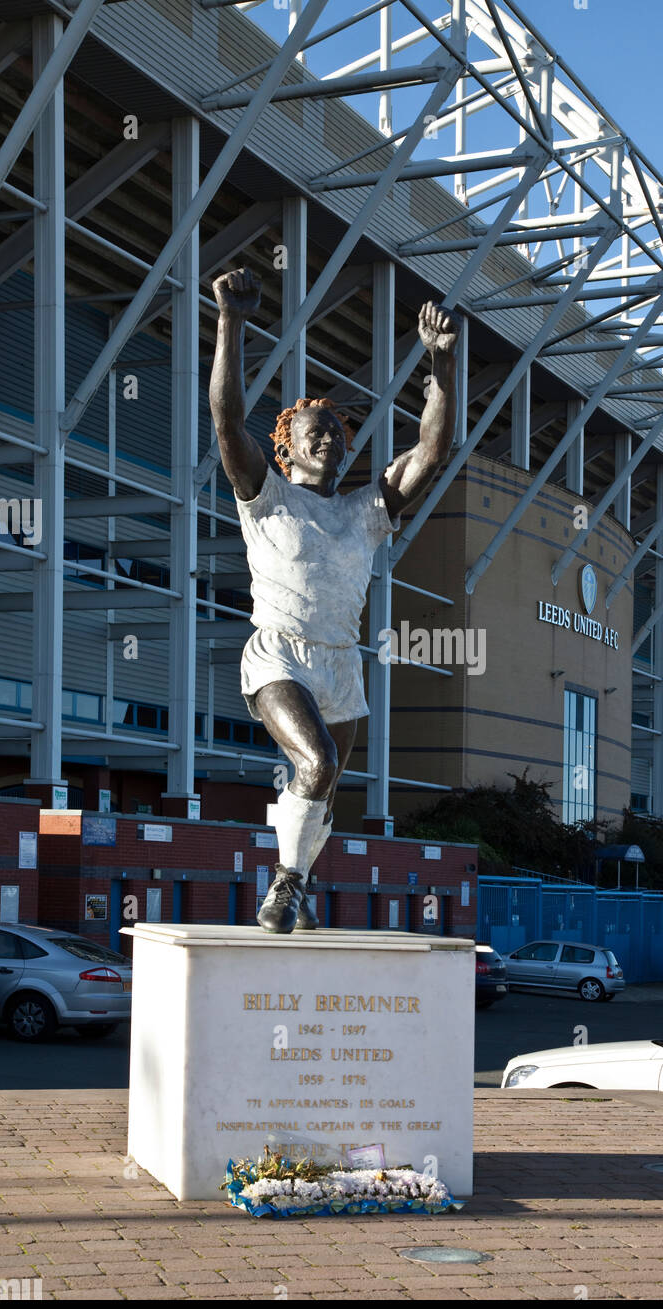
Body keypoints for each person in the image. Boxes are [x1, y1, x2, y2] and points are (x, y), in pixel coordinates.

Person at [209, 266, 460, 933]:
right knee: (316, 762)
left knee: (321, 795)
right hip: (279, 654)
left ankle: (295, 873)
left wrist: (440, 365)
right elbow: (227, 418)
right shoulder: (265, 496)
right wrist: (231, 322)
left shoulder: (365, 508)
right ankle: (287, 885)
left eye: (339, 432)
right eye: (314, 429)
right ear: (285, 446)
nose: (329, 436)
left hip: (341, 665)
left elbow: (433, 448)